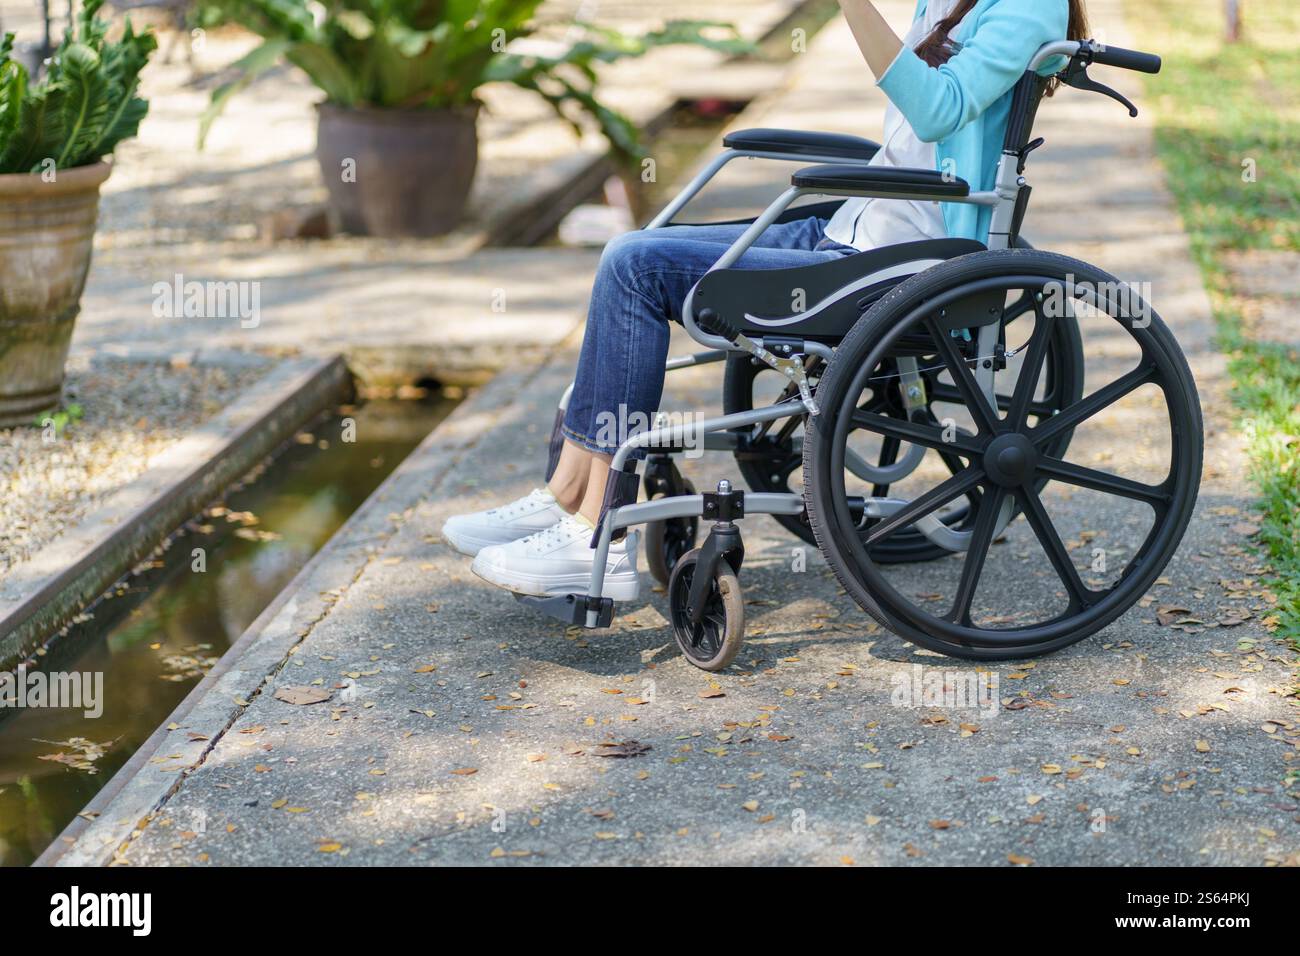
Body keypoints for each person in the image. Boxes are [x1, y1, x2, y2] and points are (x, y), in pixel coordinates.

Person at [442, 0, 1089, 600]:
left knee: (633, 268)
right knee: (640, 251)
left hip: (901, 258)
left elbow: (939, 111)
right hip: (850, 228)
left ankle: (596, 537)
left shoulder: (1032, 3)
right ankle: (565, 497)